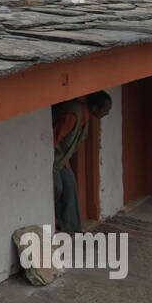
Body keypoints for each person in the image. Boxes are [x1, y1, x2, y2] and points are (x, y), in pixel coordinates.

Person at [51, 91, 112, 232]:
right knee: (57, 187)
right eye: (105, 109)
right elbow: (53, 140)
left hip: (62, 159)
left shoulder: (85, 117)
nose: (107, 113)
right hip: (53, 158)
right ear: (95, 108)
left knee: (70, 186)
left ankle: (72, 229)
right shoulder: (73, 115)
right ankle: (53, 223)